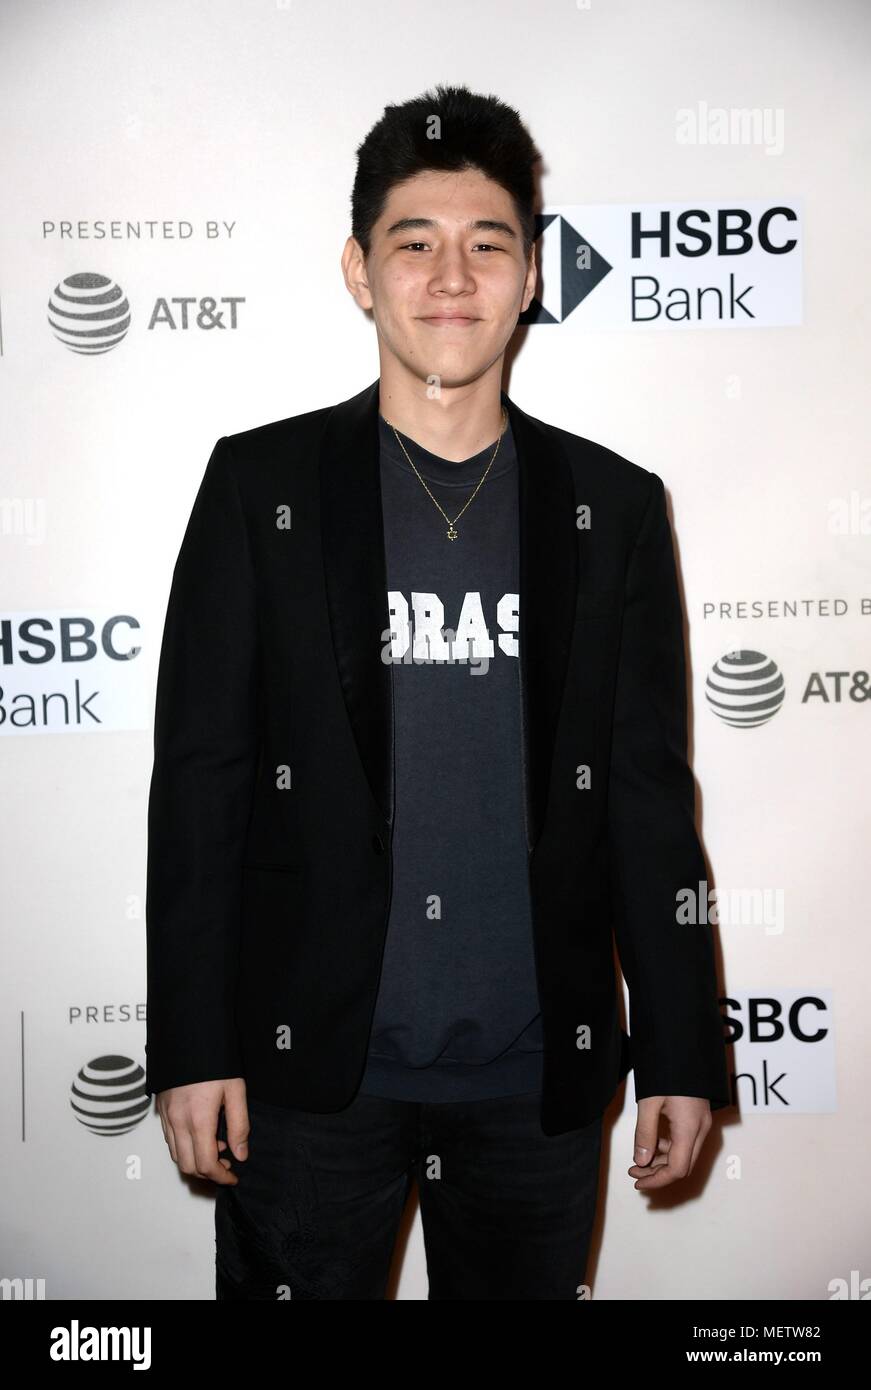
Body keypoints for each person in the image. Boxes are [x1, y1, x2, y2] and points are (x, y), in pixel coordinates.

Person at [145, 83, 731, 1300]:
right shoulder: (261, 487)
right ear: (360, 271)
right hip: (310, 1082)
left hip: (535, 1084)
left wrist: (682, 1048)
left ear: (530, 278)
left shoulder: (612, 508)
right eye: (414, 243)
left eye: (488, 244)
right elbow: (202, 787)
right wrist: (191, 1040)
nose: (450, 277)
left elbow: (645, 800)